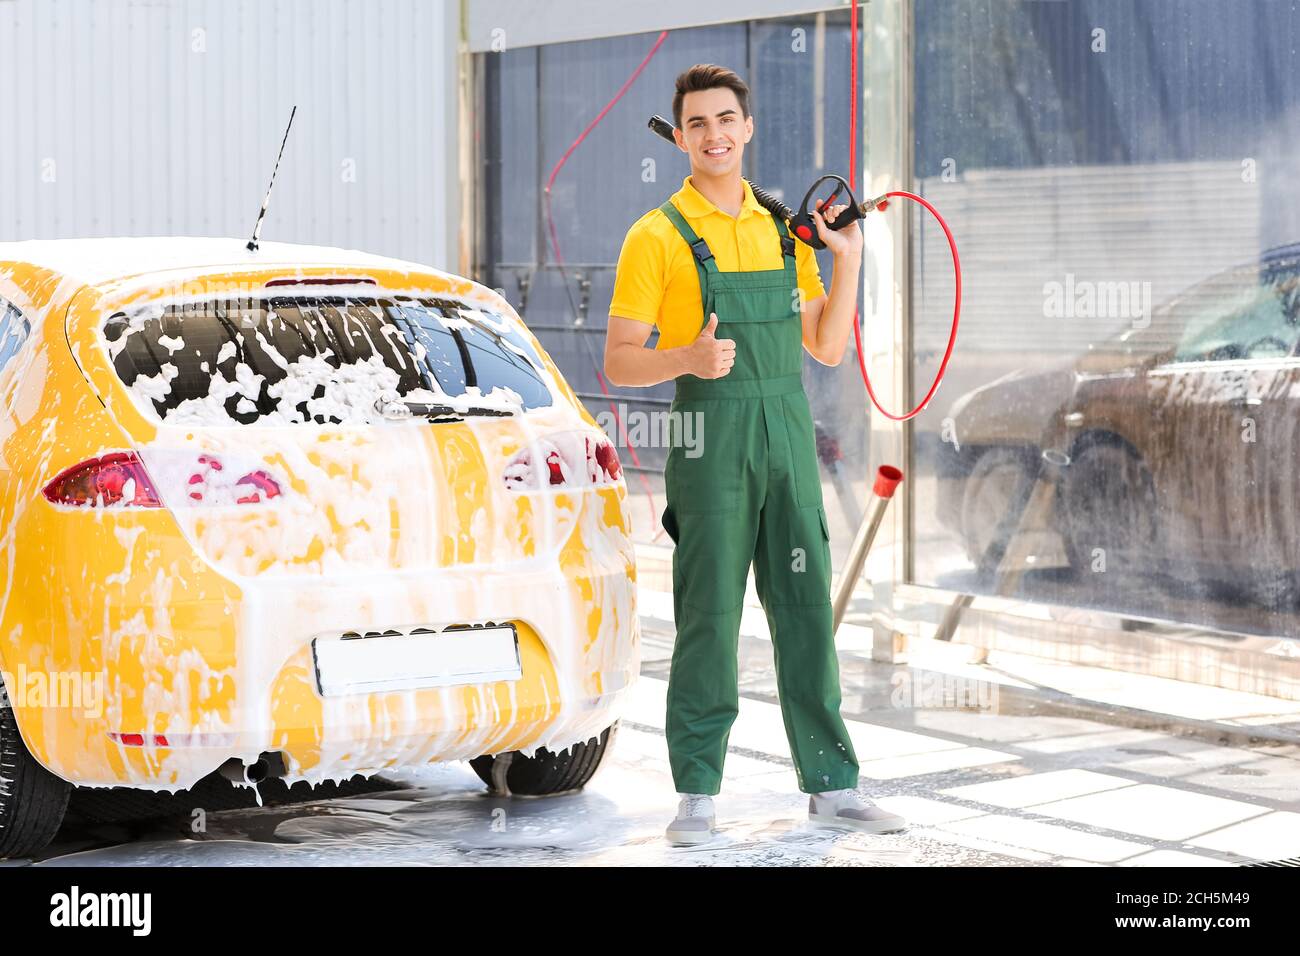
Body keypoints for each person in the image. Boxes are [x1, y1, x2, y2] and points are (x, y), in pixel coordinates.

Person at [604, 63, 906, 845]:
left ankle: (834, 784)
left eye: (726, 119)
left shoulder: (782, 230)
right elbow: (618, 361)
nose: (715, 135)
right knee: (710, 615)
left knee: (805, 611)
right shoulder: (656, 236)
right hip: (711, 442)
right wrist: (687, 361)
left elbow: (829, 346)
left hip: (787, 437)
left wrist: (849, 262)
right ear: (679, 137)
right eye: (698, 123)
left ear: (748, 127)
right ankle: (697, 794)